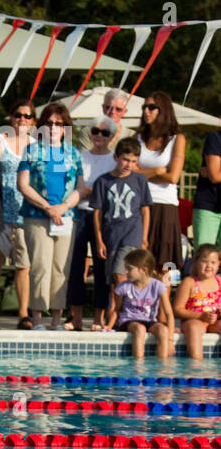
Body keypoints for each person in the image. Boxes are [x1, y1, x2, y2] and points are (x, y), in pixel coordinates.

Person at [17, 102, 85, 330]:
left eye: (60, 123)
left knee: (60, 269)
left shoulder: (73, 153)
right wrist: (48, 207)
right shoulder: (31, 150)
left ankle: (56, 319)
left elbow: (81, 187)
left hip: (66, 217)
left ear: (66, 127)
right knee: (40, 267)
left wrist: (63, 207)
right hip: (37, 216)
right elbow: (23, 185)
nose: (54, 127)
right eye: (50, 123)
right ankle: (37, 319)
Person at [91, 139, 152, 331]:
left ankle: (121, 314)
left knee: (120, 275)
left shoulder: (140, 180)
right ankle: (121, 316)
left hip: (132, 234)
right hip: (111, 237)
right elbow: (97, 213)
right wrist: (99, 239)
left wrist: (144, 236)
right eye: (126, 160)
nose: (129, 165)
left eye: (134, 161)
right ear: (116, 157)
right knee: (113, 282)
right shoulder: (103, 181)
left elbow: (145, 210)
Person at [65, 114, 120, 329]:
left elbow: (109, 190)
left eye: (105, 133)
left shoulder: (114, 159)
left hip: (103, 217)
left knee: (102, 268)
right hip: (79, 214)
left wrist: (89, 191)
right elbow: (73, 188)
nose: (99, 136)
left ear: (113, 136)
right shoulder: (79, 157)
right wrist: (91, 191)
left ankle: (99, 317)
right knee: (76, 267)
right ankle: (75, 316)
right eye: (95, 131)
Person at [0, 101, 35, 328]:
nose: (22, 120)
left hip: (26, 213)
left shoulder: (38, 146)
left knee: (23, 265)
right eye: (18, 115)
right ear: (11, 117)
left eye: (27, 116)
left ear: (33, 121)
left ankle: (23, 315)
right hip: (1, 211)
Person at [135, 91, 186, 273]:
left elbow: (173, 177)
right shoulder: (138, 138)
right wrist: (157, 171)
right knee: (139, 263)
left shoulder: (176, 139)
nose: (146, 111)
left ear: (163, 110)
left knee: (165, 266)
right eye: (144, 107)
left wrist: (142, 172)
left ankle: (164, 301)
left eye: (151, 107)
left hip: (165, 206)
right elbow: (130, 172)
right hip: (140, 204)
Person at [113, 248, 174, 359]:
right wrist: (110, 325)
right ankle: (138, 366)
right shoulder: (124, 286)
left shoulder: (158, 286)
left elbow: (169, 314)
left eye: (129, 268)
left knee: (163, 330)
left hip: (150, 321)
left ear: (143, 270)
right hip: (129, 320)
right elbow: (116, 309)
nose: (125, 271)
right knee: (140, 329)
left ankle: (162, 368)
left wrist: (170, 339)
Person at [173, 244, 221, 360]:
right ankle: (196, 366)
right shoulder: (189, 282)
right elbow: (177, 310)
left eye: (213, 262)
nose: (209, 266)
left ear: (219, 264)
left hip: (214, 322)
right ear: (195, 262)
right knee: (193, 327)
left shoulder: (219, 281)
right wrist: (201, 315)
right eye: (204, 261)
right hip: (194, 320)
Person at [192, 128, 221, 251]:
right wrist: (212, 172)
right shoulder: (215, 137)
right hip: (209, 205)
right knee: (204, 255)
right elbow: (215, 176)